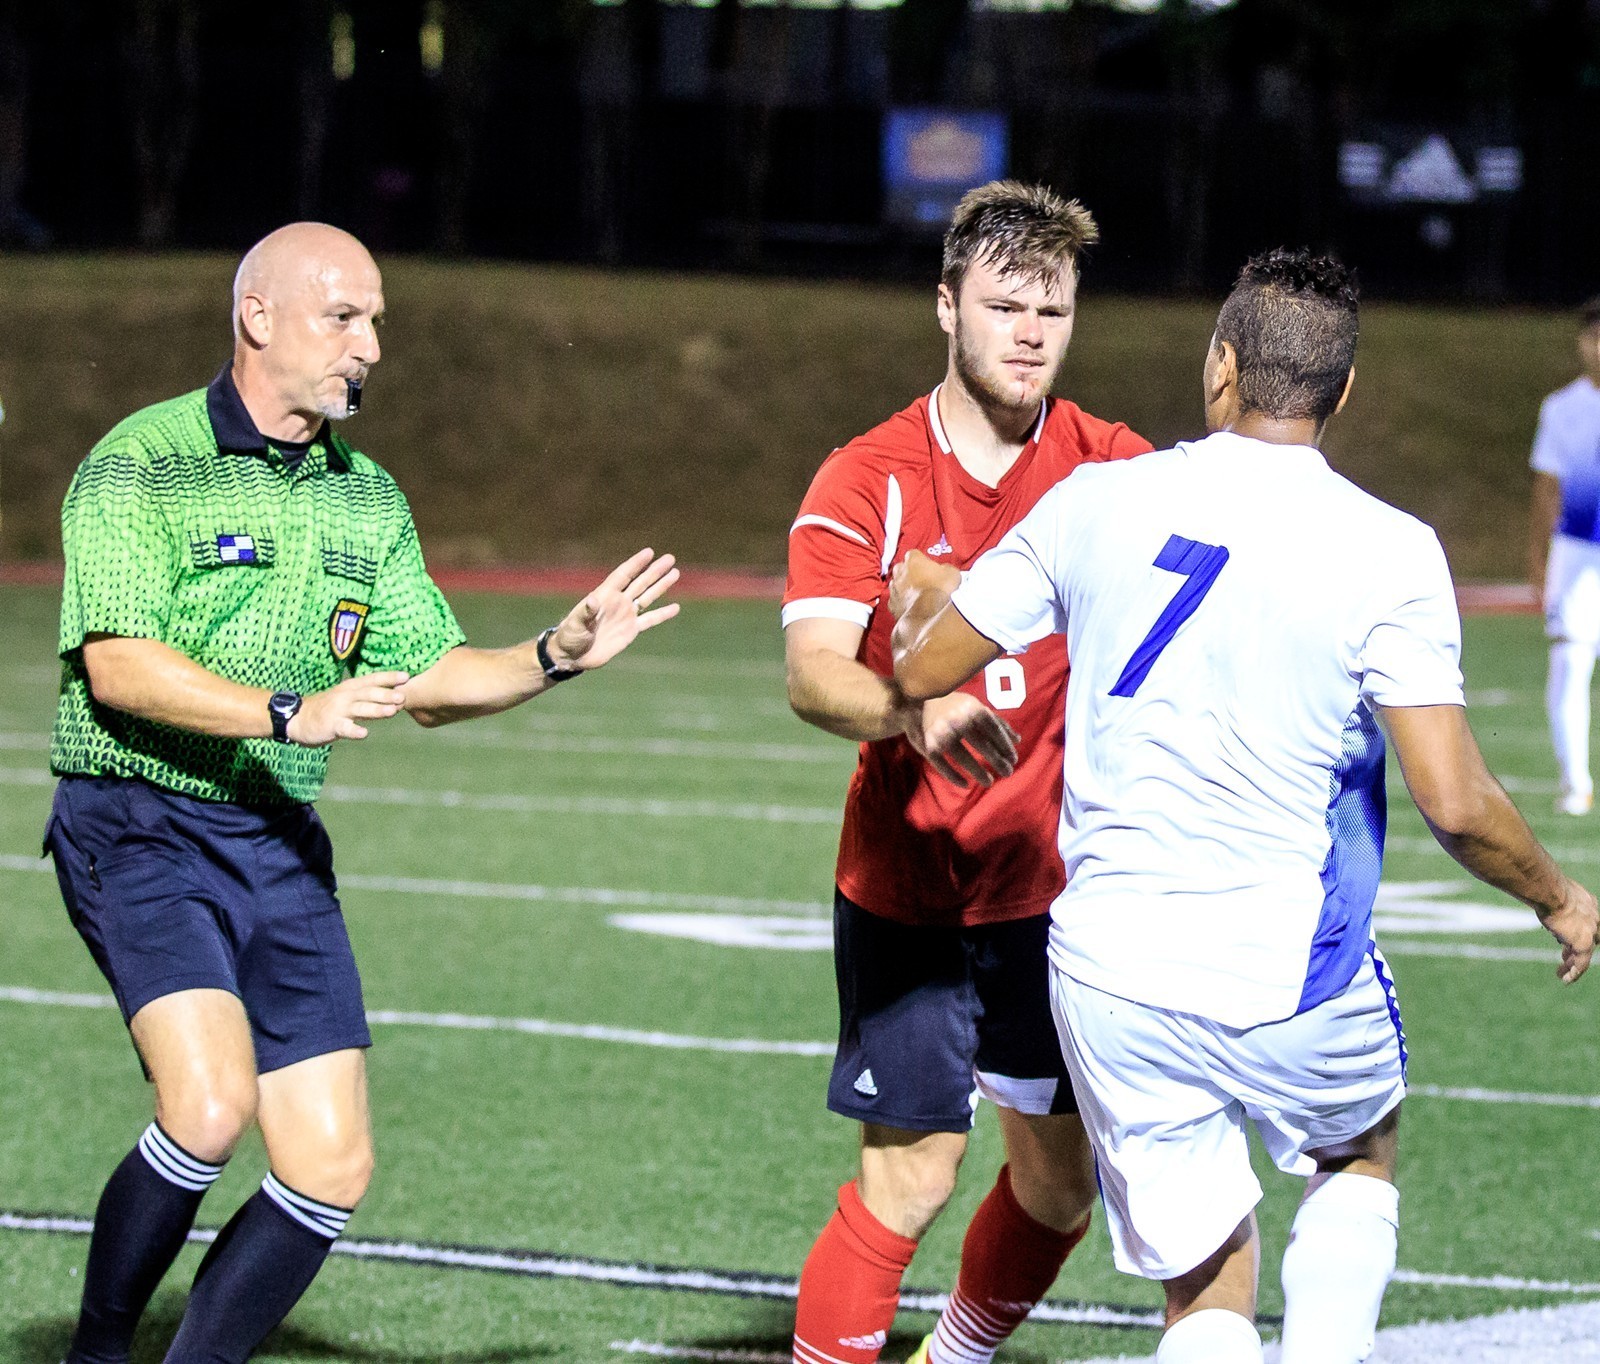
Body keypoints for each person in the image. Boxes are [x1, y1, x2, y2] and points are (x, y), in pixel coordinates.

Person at [892, 248, 1599, 1364]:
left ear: (1219, 364)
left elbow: (929, 667)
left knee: (1207, 1282)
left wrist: (921, 591)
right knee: (1355, 1148)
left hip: (1109, 969)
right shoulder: (1390, 548)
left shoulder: (1092, 500)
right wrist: (1560, 896)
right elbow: (1455, 802)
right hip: (1287, 962)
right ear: (1343, 390)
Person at [44, 222, 679, 1364]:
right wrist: (290, 709)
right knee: (208, 1106)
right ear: (260, 318)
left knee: (330, 1164)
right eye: (345, 317)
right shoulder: (142, 459)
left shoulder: (366, 500)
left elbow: (428, 676)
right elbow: (119, 665)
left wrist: (554, 652)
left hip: (276, 835)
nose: (371, 345)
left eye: (377, 319)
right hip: (138, 817)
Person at [782, 181, 1151, 1364]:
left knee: (1058, 1191)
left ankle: (951, 1356)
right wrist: (911, 705)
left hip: (1049, 893)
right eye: (1004, 305)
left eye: (1053, 309)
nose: (1032, 332)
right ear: (946, 306)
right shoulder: (869, 474)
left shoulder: (1111, 472)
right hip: (910, 889)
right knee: (911, 1174)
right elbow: (809, 671)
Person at [1528, 296, 1600, 816]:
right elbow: (1546, 490)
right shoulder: (1561, 408)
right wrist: (1538, 559)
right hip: (1576, 553)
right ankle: (1577, 782)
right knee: (1570, 664)